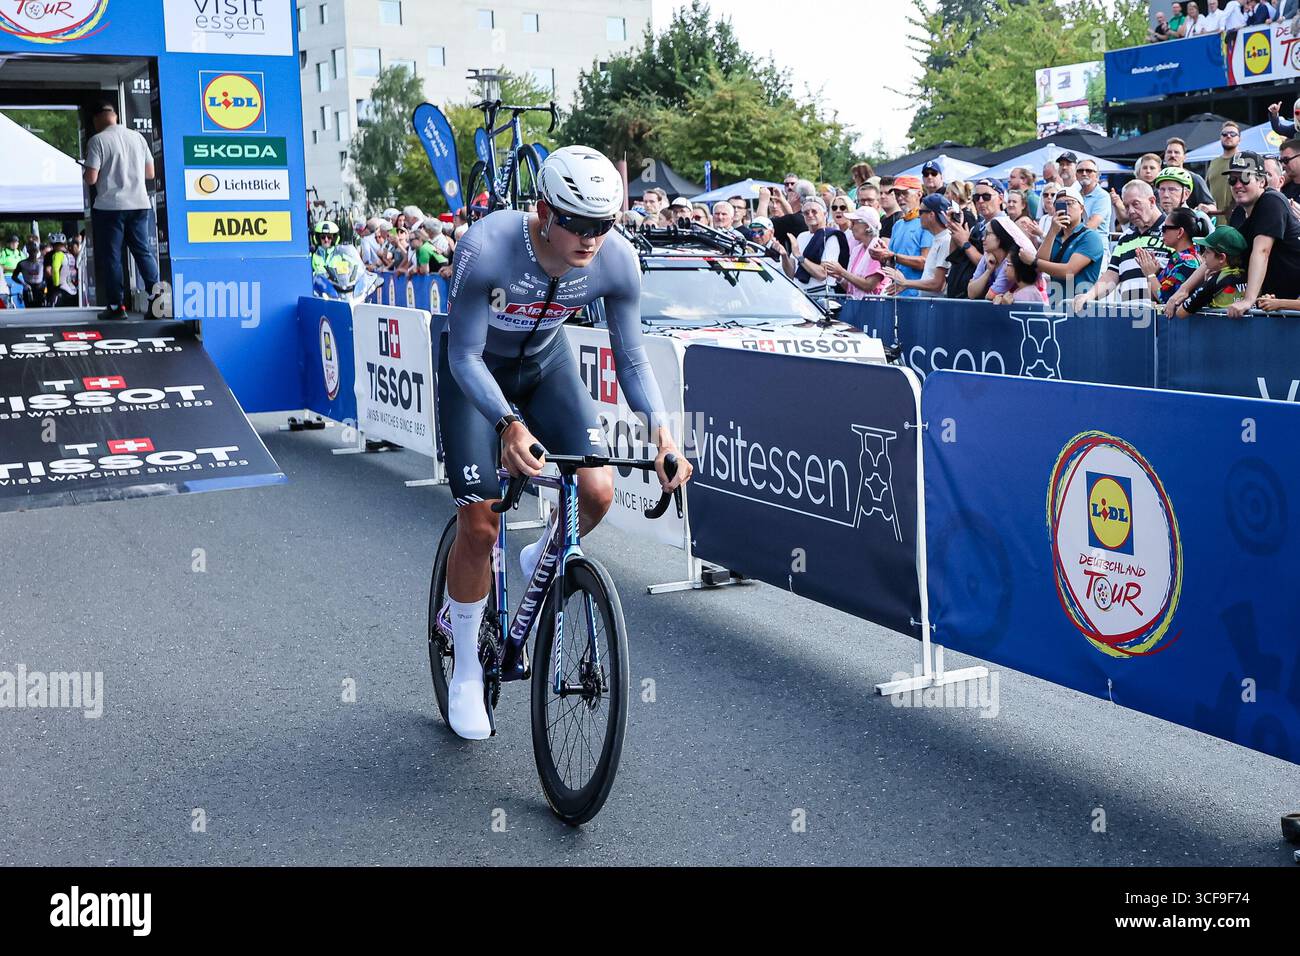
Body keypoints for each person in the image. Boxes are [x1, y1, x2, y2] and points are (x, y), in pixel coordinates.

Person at [438, 145, 689, 739]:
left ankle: (543, 555)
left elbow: (630, 357)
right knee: (481, 525)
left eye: (602, 225)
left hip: (547, 366)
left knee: (597, 492)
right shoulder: (487, 246)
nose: (589, 239)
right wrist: (507, 424)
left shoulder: (616, 259)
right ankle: (468, 667)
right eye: (576, 223)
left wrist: (662, 431)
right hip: (477, 373)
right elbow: (463, 354)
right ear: (545, 211)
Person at [83, 101, 160, 320]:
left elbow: (92, 178)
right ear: (114, 116)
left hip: (110, 208)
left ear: (97, 119)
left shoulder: (97, 140)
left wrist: (86, 169)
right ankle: (157, 302)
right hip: (139, 203)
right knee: (143, 252)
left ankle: (117, 307)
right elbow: (150, 173)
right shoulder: (137, 137)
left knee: (113, 257)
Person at [1073, 180, 1168, 309]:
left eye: (1136, 204)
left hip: (1162, 316)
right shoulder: (1126, 236)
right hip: (1130, 314)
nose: (1131, 211)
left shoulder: (1171, 230)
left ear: (1152, 201)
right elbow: (1112, 274)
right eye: (1126, 206)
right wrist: (1088, 295)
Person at [1029, 183, 1106, 304]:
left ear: (1081, 208)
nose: (1065, 208)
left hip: (1081, 307)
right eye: (1060, 205)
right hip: (1056, 306)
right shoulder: (1054, 236)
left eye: (1070, 203)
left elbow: (1068, 271)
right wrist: (1052, 231)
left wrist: (1033, 262)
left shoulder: (1090, 236)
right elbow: (1040, 265)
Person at [882, 194, 952, 298]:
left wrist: (905, 283)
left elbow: (938, 285)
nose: (918, 216)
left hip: (936, 307)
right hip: (928, 304)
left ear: (931, 215)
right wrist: (905, 284)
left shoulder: (945, 240)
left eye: (921, 212)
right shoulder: (938, 239)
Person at [871, 175, 931, 295]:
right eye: (897, 194)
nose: (900, 198)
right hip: (896, 295)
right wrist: (882, 257)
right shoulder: (898, 225)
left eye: (905, 193)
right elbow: (893, 263)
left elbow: (925, 262)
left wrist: (893, 256)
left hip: (918, 297)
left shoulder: (926, 222)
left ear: (919, 194)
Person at [777, 197, 848, 294]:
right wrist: (784, 255)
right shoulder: (801, 236)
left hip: (821, 293)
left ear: (825, 214)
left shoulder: (831, 236)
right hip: (800, 293)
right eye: (806, 213)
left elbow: (822, 274)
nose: (810, 215)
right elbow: (790, 274)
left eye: (814, 211)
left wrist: (799, 256)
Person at [1175, 226, 1247, 317]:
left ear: (1222, 258)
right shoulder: (1249, 275)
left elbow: (1181, 313)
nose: (1203, 255)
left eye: (1207, 252)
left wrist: (1205, 284)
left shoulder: (1217, 280)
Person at [1137, 207, 1201, 303]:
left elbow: (1166, 300)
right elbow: (1154, 298)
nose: (1161, 232)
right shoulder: (1178, 257)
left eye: (1165, 228)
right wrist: (1156, 273)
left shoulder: (1188, 261)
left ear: (1180, 232)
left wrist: (1150, 274)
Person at [824, 207, 888, 298]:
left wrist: (842, 272)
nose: (850, 227)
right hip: (855, 306)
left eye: (853, 223)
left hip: (874, 308)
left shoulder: (878, 249)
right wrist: (839, 276)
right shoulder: (857, 250)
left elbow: (869, 286)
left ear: (867, 227)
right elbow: (851, 288)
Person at [1163, 137, 1215, 209]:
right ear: (1165, 156)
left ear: (1184, 157)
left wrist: (1205, 208)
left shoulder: (1194, 179)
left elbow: (1212, 206)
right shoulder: (1158, 179)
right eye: (1169, 152)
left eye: (1177, 152)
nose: (1172, 155)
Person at [1206, 121, 1242, 224]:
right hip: (1213, 223)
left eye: (1233, 134)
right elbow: (1206, 192)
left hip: (1236, 223)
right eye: (1224, 134)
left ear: (1239, 139)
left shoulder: (1244, 160)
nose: (1228, 136)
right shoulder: (1213, 163)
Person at [1075, 159, 1112, 234]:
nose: (1084, 173)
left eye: (1089, 170)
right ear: (1076, 175)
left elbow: (1091, 226)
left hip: (1096, 243)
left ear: (1097, 176)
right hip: (1076, 243)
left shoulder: (1103, 196)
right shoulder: (1075, 195)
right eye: (1080, 171)